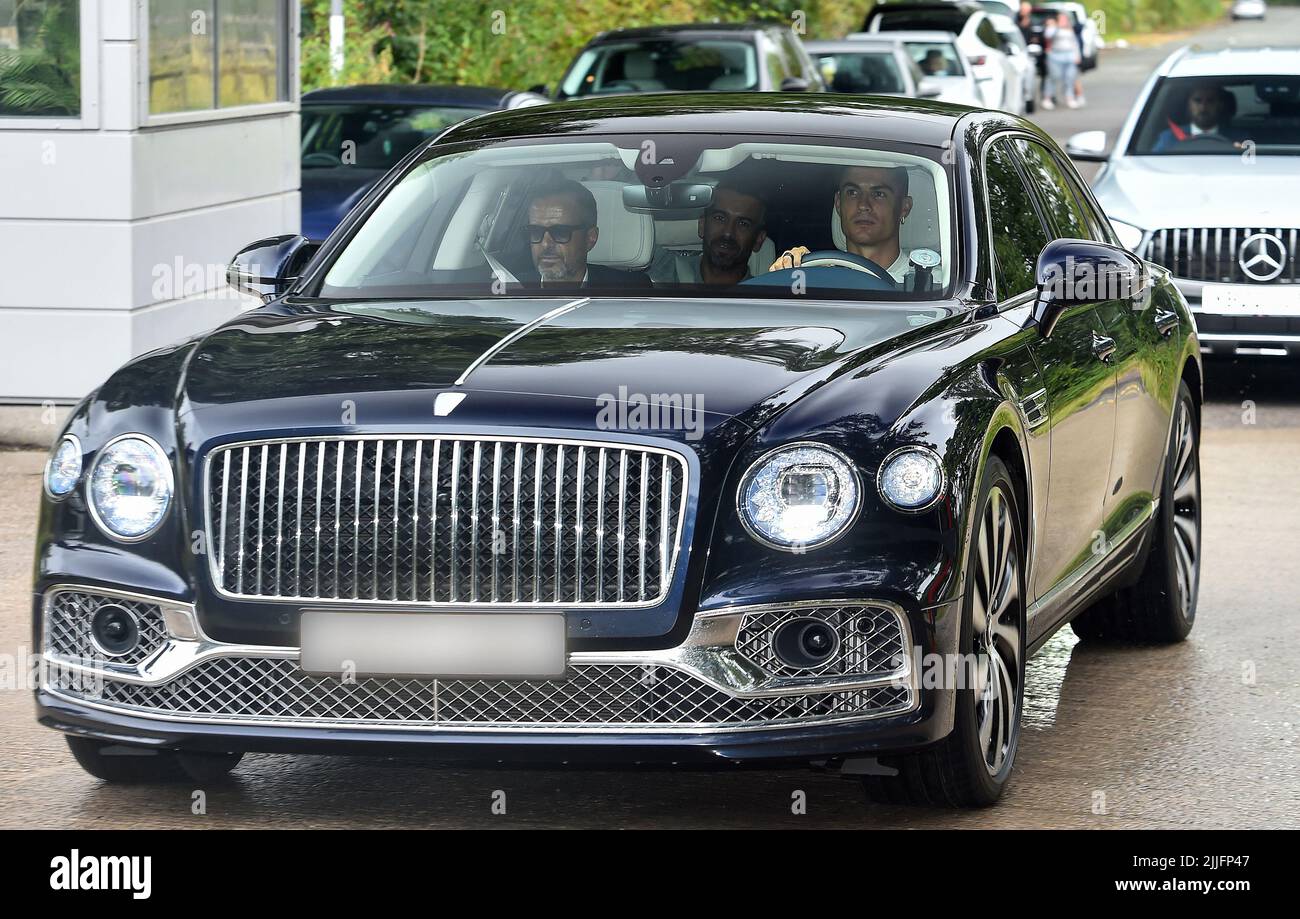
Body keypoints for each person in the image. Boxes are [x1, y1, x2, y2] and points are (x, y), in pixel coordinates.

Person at [768, 165, 913, 284]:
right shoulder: (814, 276)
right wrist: (790, 269)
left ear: (904, 208)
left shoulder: (930, 286)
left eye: (879, 194)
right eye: (852, 192)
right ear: (838, 203)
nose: (863, 205)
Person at [523, 180, 652, 288]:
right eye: (536, 232)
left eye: (560, 232)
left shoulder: (631, 290)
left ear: (590, 238)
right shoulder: (512, 287)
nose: (545, 243)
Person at [1153, 84, 1248, 152]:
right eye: (1197, 101)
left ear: (1220, 105)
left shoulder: (1239, 139)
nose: (1203, 107)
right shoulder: (1169, 138)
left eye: (1210, 101)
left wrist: (1240, 155)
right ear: (1189, 104)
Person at [1041, 11, 1081, 110]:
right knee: (1054, 76)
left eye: (1065, 19)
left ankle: (1070, 97)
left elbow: (1074, 43)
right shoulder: (1053, 28)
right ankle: (1047, 98)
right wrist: (1057, 26)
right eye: (1061, 19)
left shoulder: (1069, 29)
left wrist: (1077, 55)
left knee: (1070, 77)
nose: (1064, 21)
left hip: (1069, 55)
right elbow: (1048, 36)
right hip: (1055, 55)